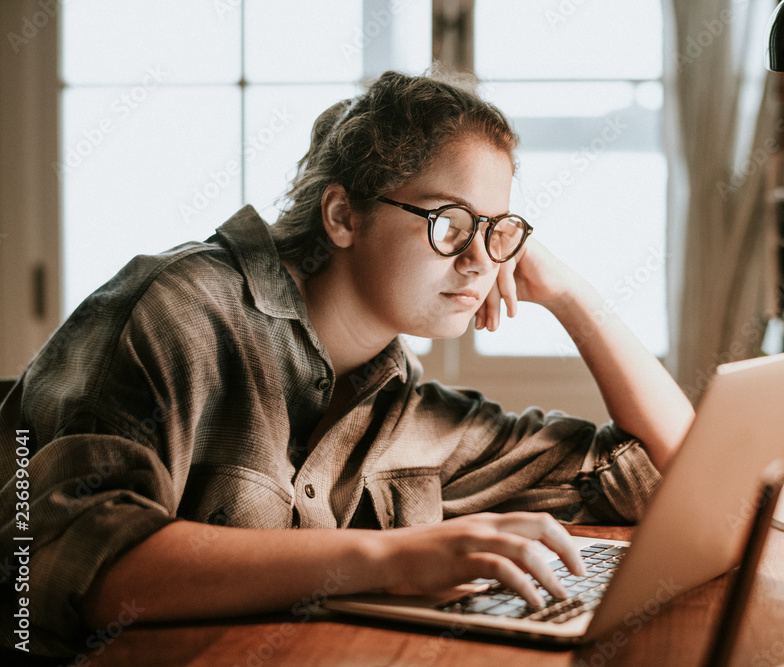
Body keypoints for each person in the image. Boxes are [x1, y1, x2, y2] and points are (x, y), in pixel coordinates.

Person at [0, 70, 694, 657]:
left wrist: (572, 293)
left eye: (498, 230)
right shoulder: (180, 314)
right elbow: (55, 562)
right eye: (450, 221)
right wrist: (396, 559)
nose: (481, 259)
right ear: (342, 216)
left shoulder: (405, 408)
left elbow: (670, 474)